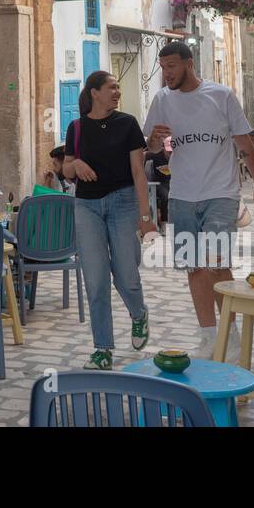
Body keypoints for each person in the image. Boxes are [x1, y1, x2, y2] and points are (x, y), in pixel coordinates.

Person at [144, 41, 254, 360]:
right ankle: (208, 337)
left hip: (221, 193)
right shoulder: (161, 100)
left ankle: (231, 337)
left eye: (172, 65)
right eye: (163, 67)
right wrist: (155, 141)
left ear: (189, 63)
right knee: (194, 268)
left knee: (217, 265)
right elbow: (153, 149)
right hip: (181, 196)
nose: (167, 73)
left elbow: (244, 142)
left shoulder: (221, 95)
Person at [63, 70, 156, 369]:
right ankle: (102, 349)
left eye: (117, 88)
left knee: (127, 274)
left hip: (123, 203)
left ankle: (138, 313)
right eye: (112, 87)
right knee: (96, 280)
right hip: (87, 207)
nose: (117, 92)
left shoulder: (127, 124)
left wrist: (145, 216)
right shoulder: (76, 128)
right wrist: (75, 163)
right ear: (95, 92)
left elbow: (138, 172)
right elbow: (65, 169)